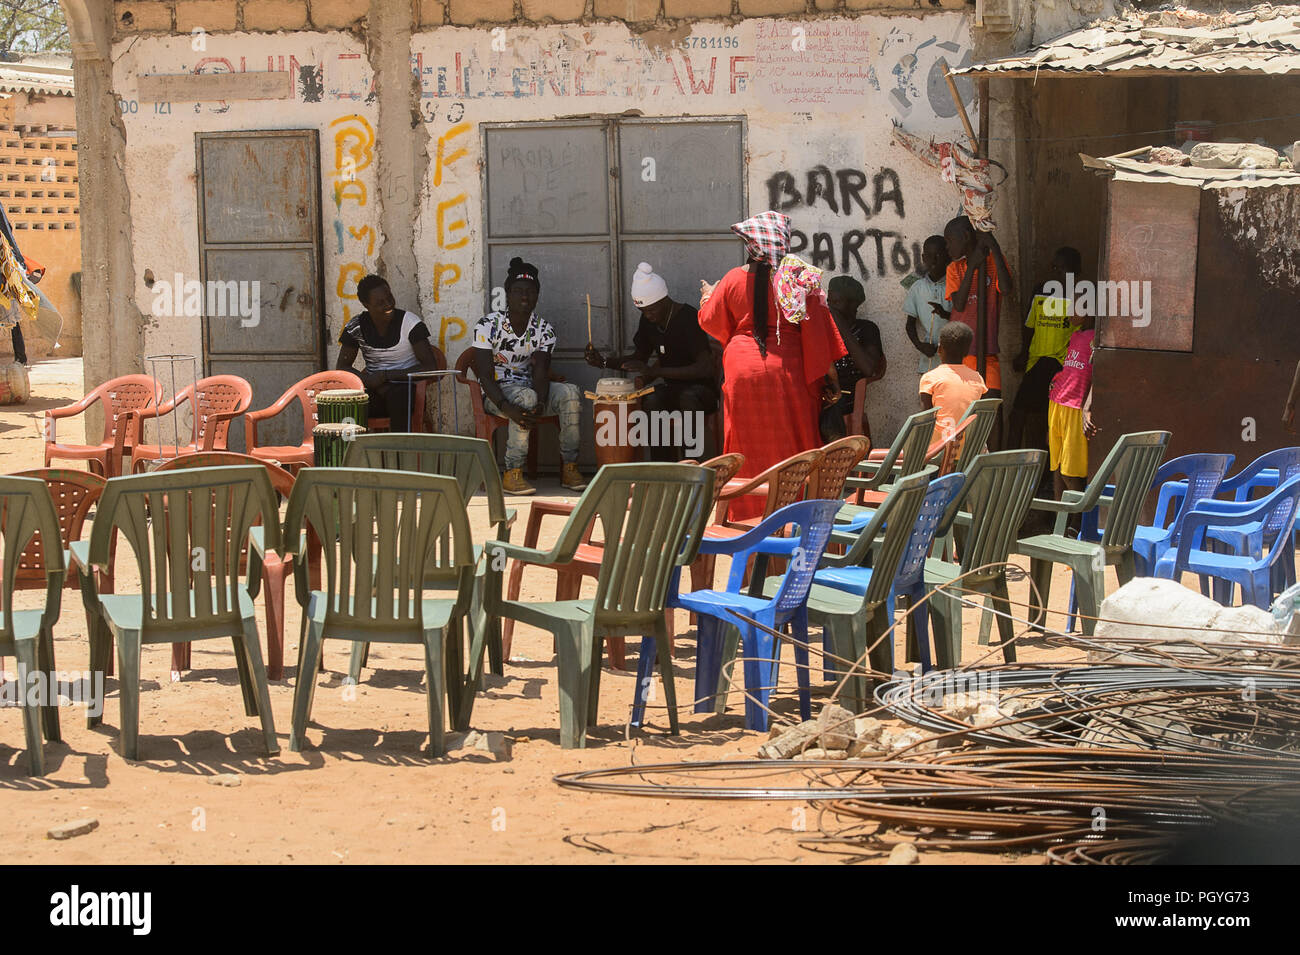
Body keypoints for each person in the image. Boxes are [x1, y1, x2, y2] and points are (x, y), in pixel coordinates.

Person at [698, 211, 846, 521]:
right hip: (789, 375)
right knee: (796, 446)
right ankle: (795, 521)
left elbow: (711, 321)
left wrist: (708, 297)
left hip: (742, 373)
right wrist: (830, 377)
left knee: (745, 448)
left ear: (751, 245)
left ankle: (747, 522)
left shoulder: (732, 279)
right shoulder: (799, 278)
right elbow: (817, 331)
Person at [471, 256, 585, 495]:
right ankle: (513, 473)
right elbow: (484, 375)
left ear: (537, 295)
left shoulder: (544, 329)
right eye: (518, 291)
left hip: (531, 389)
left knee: (570, 393)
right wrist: (505, 405)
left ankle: (570, 466)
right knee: (526, 398)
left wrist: (542, 402)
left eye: (531, 291)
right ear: (507, 293)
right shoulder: (487, 325)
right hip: (497, 393)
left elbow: (541, 371)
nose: (525, 296)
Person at [584, 262, 719, 461]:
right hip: (672, 388)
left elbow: (705, 368)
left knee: (687, 398)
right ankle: (663, 464)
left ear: (664, 300)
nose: (648, 315)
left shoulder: (688, 318)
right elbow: (639, 359)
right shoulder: (648, 321)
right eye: (644, 311)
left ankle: (692, 463)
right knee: (652, 400)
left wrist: (656, 372)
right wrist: (603, 362)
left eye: (652, 310)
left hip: (701, 390)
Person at [336, 274, 442, 432]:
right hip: (374, 393)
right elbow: (342, 367)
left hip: (405, 391)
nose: (388, 305)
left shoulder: (410, 323)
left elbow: (431, 368)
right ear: (366, 305)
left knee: (398, 398)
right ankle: (354, 451)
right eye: (380, 303)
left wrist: (386, 376)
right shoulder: (356, 326)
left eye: (389, 298)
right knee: (345, 405)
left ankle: (398, 453)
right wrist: (368, 380)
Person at [945, 215, 1012, 449]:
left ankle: (992, 459)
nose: (948, 247)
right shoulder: (955, 269)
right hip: (962, 353)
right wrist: (972, 265)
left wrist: (992, 245)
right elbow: (959, 304)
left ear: (965, 237)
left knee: (993, 409)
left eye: (950, 241)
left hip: (987, 350)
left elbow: (1006, 288)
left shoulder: (993, 262)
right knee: (961, 411)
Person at [1010, 247, 1082, 454]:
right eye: (1056, 267)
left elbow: (1082, 331)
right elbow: (1029, 325)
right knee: (1018, 415)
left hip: (1061, 365)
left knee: (1050, 421)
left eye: (1065, 269)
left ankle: (1048, 476)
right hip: (1036, 361)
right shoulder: (1040, 291)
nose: (1059, 272)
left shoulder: (1079, 296)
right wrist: (1024, 353)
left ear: (1077, 271)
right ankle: (1008, 468)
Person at [821, 275, 884, 441]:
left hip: (849, 403)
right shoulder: (823, 330)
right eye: (829, 302)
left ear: (853, 304)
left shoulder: (866, 329)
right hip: (824, 398)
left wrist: (840, 325)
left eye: (836, 303)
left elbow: (869, 368)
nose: (830, 308)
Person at [1047, 309, 1098, 500]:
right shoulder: (1075, 335)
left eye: (1073, 307)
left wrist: (1087, 407)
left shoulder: (1097, 339)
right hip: (1058, 402)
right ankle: (1059, 522)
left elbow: (1098, 375)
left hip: (1075, 407)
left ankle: (1076, 524)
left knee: (1070, 473)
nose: (1068, 312)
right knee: (1057, 468)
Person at [919, 321, 988, 445]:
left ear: (939, 349)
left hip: (939, 453)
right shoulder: (978, 379)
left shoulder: (930, 378)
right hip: (969, 451)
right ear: (966, 352)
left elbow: (924, 421)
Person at [903, 235, 951, 376]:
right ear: (924, 258)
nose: (934, 260)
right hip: (930, 357)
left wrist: (945, 314)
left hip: (955, 355)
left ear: (948, 256)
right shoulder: (917, 288)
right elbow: (910, 324)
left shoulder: (955, 285)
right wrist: (920, 345)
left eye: (938, 255)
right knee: (930, 396)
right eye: (929, 256)